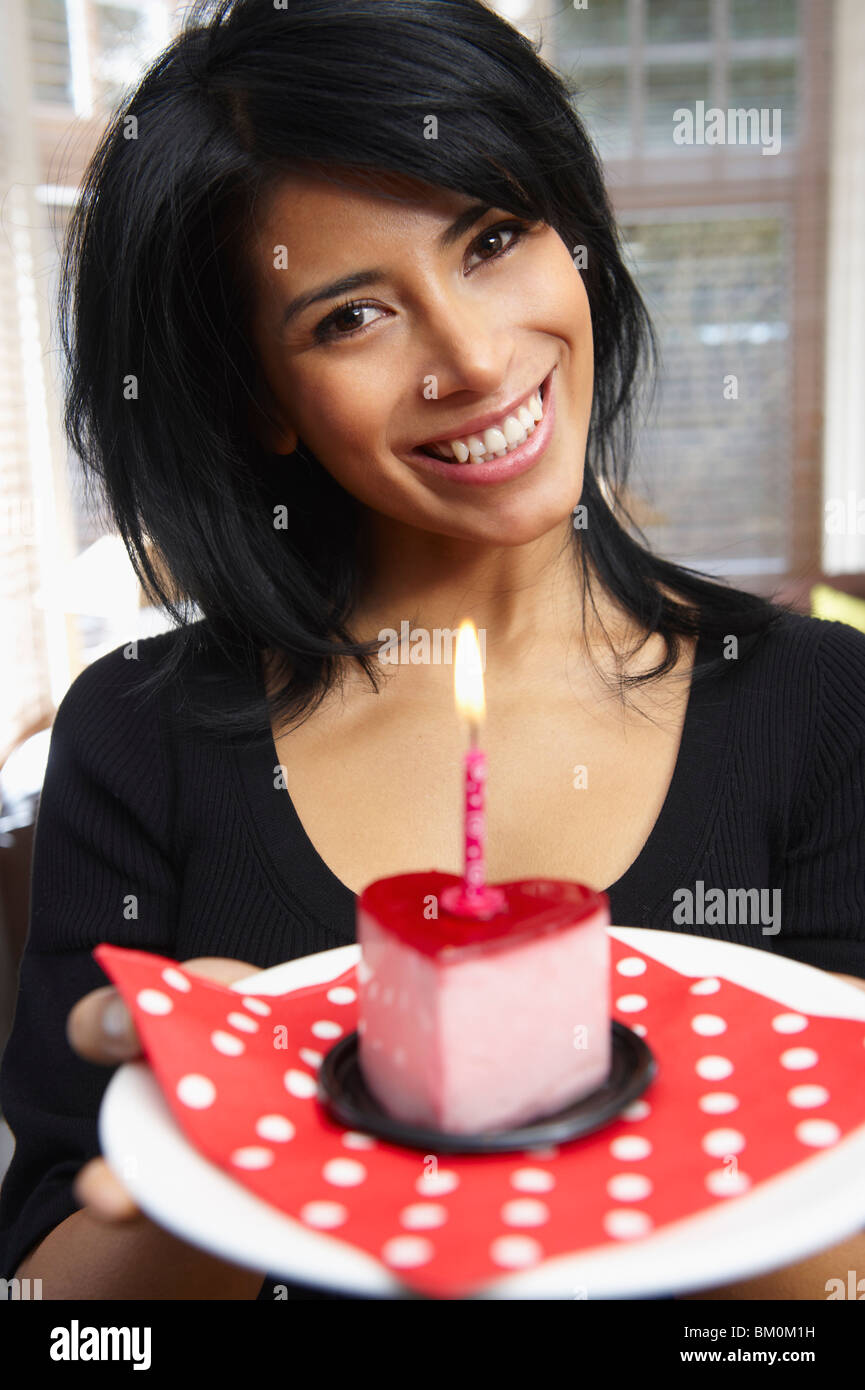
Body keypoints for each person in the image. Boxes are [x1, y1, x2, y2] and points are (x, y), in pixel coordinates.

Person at [1, 0, 864, 1302]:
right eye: (350, 317)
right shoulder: (136, 735)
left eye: (493, 238)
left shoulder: (823, 706)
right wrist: (222, 1141)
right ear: (260, 400)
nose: (469, 357)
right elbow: (51, 1316)